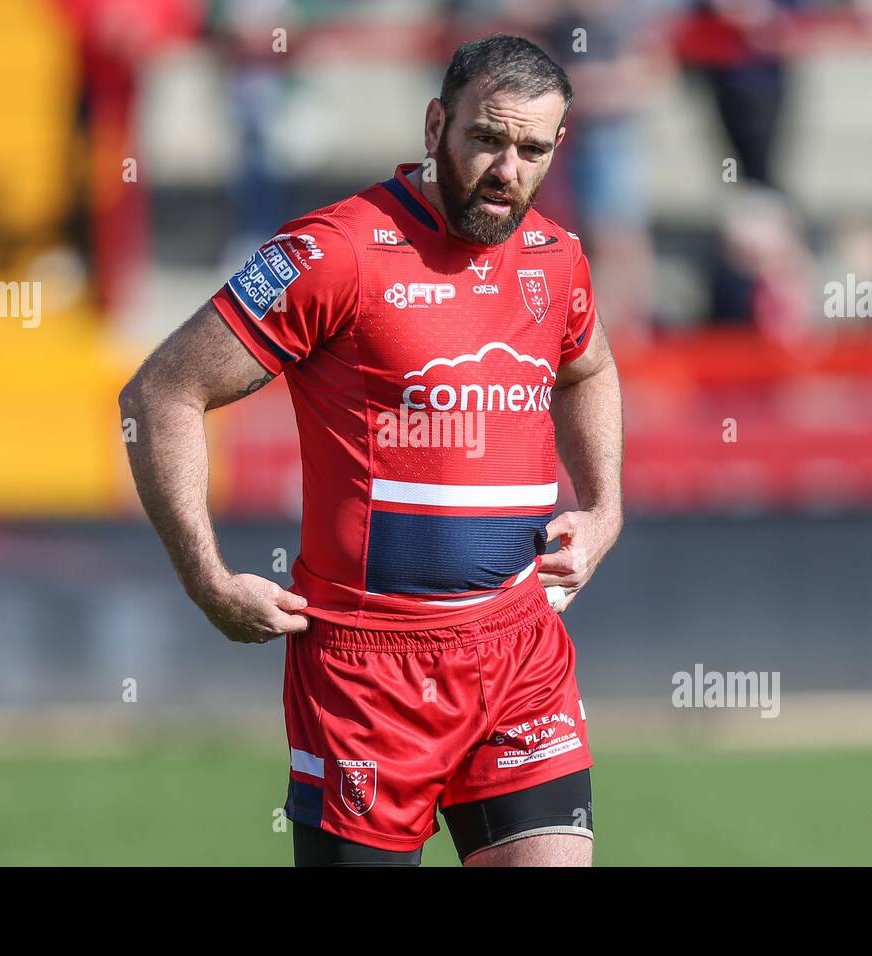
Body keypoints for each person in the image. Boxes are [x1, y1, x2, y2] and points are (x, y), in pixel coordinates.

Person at [120, 35, 623, 867]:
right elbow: (160, 393)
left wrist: (603, 509)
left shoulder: (554, 257)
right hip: (367, 673)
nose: (508, 168)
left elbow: (591, 369)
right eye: (486, 139)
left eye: (531, 149)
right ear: (436, 126)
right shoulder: (336, 253)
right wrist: (207, 580)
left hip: (520, 647)